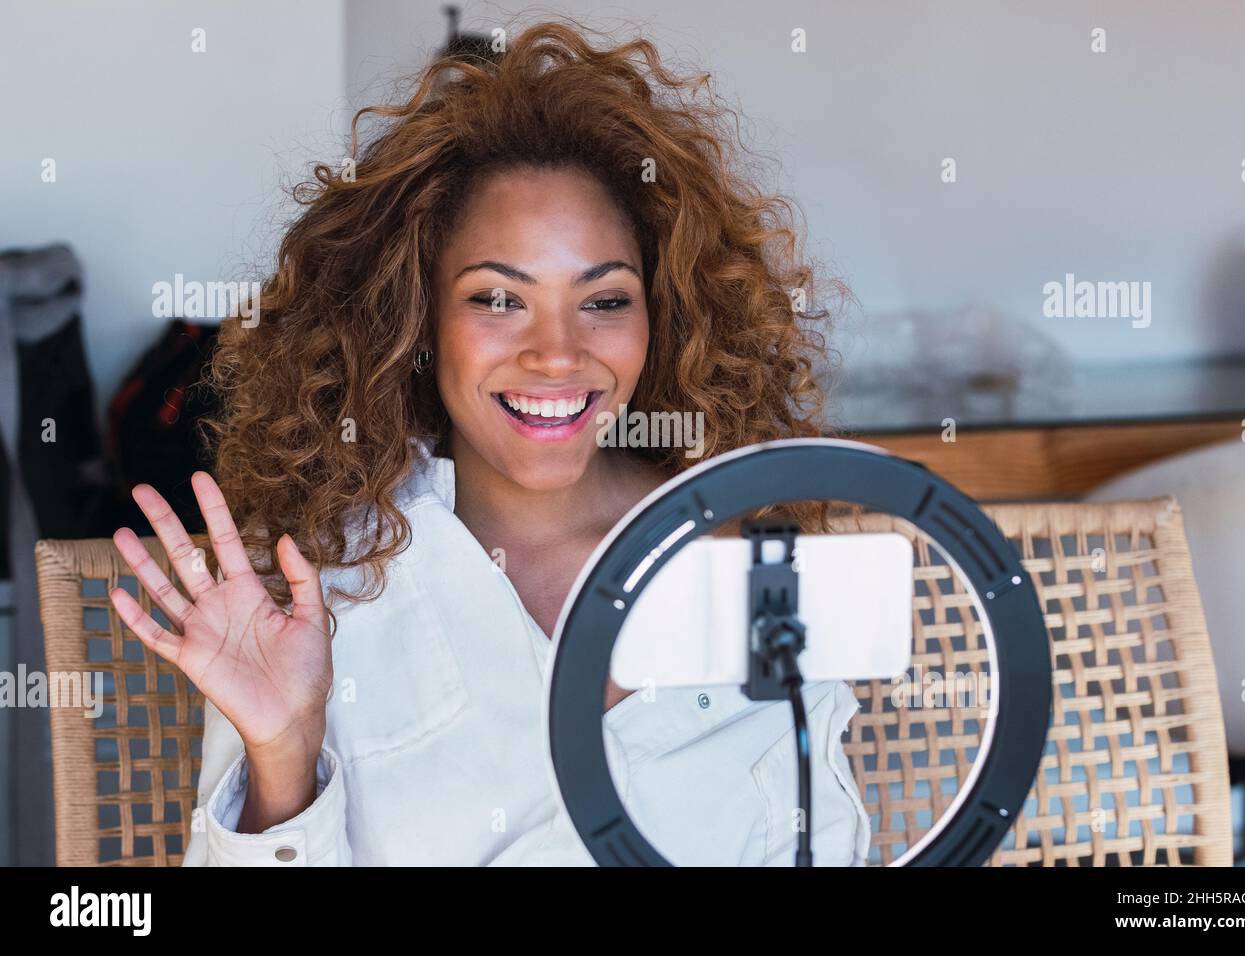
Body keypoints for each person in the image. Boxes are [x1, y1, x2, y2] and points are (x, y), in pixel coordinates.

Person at [109, 18, 871, 866]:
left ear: (664, 317)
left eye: (606, 299)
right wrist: (282, 759)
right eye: (497, 299)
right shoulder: (316, 586)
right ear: (418, 321)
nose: (556, 353)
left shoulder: (753, 556)